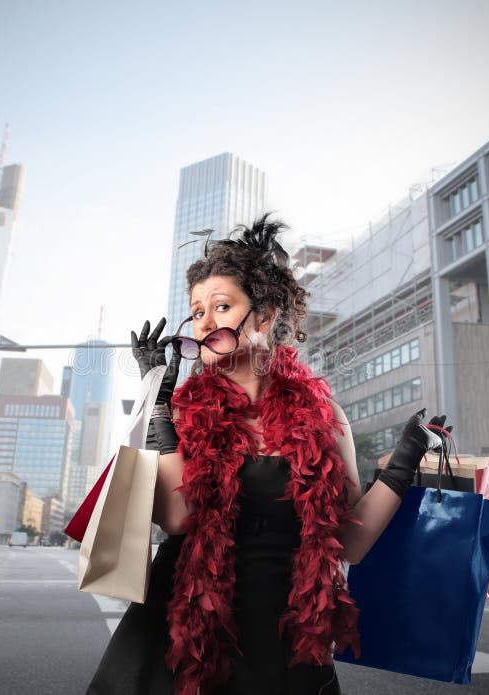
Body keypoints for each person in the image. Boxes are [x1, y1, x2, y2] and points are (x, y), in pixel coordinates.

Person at [87, 214, 450, 695]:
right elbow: (177, 518)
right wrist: (158, 407)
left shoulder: (324, 415)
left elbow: (351, 542)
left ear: (264, 316)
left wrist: (403, 463)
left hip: (286, 629)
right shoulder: (182, 408)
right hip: (186, 627)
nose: (205, 322)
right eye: (196, 312)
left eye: (220, 306)